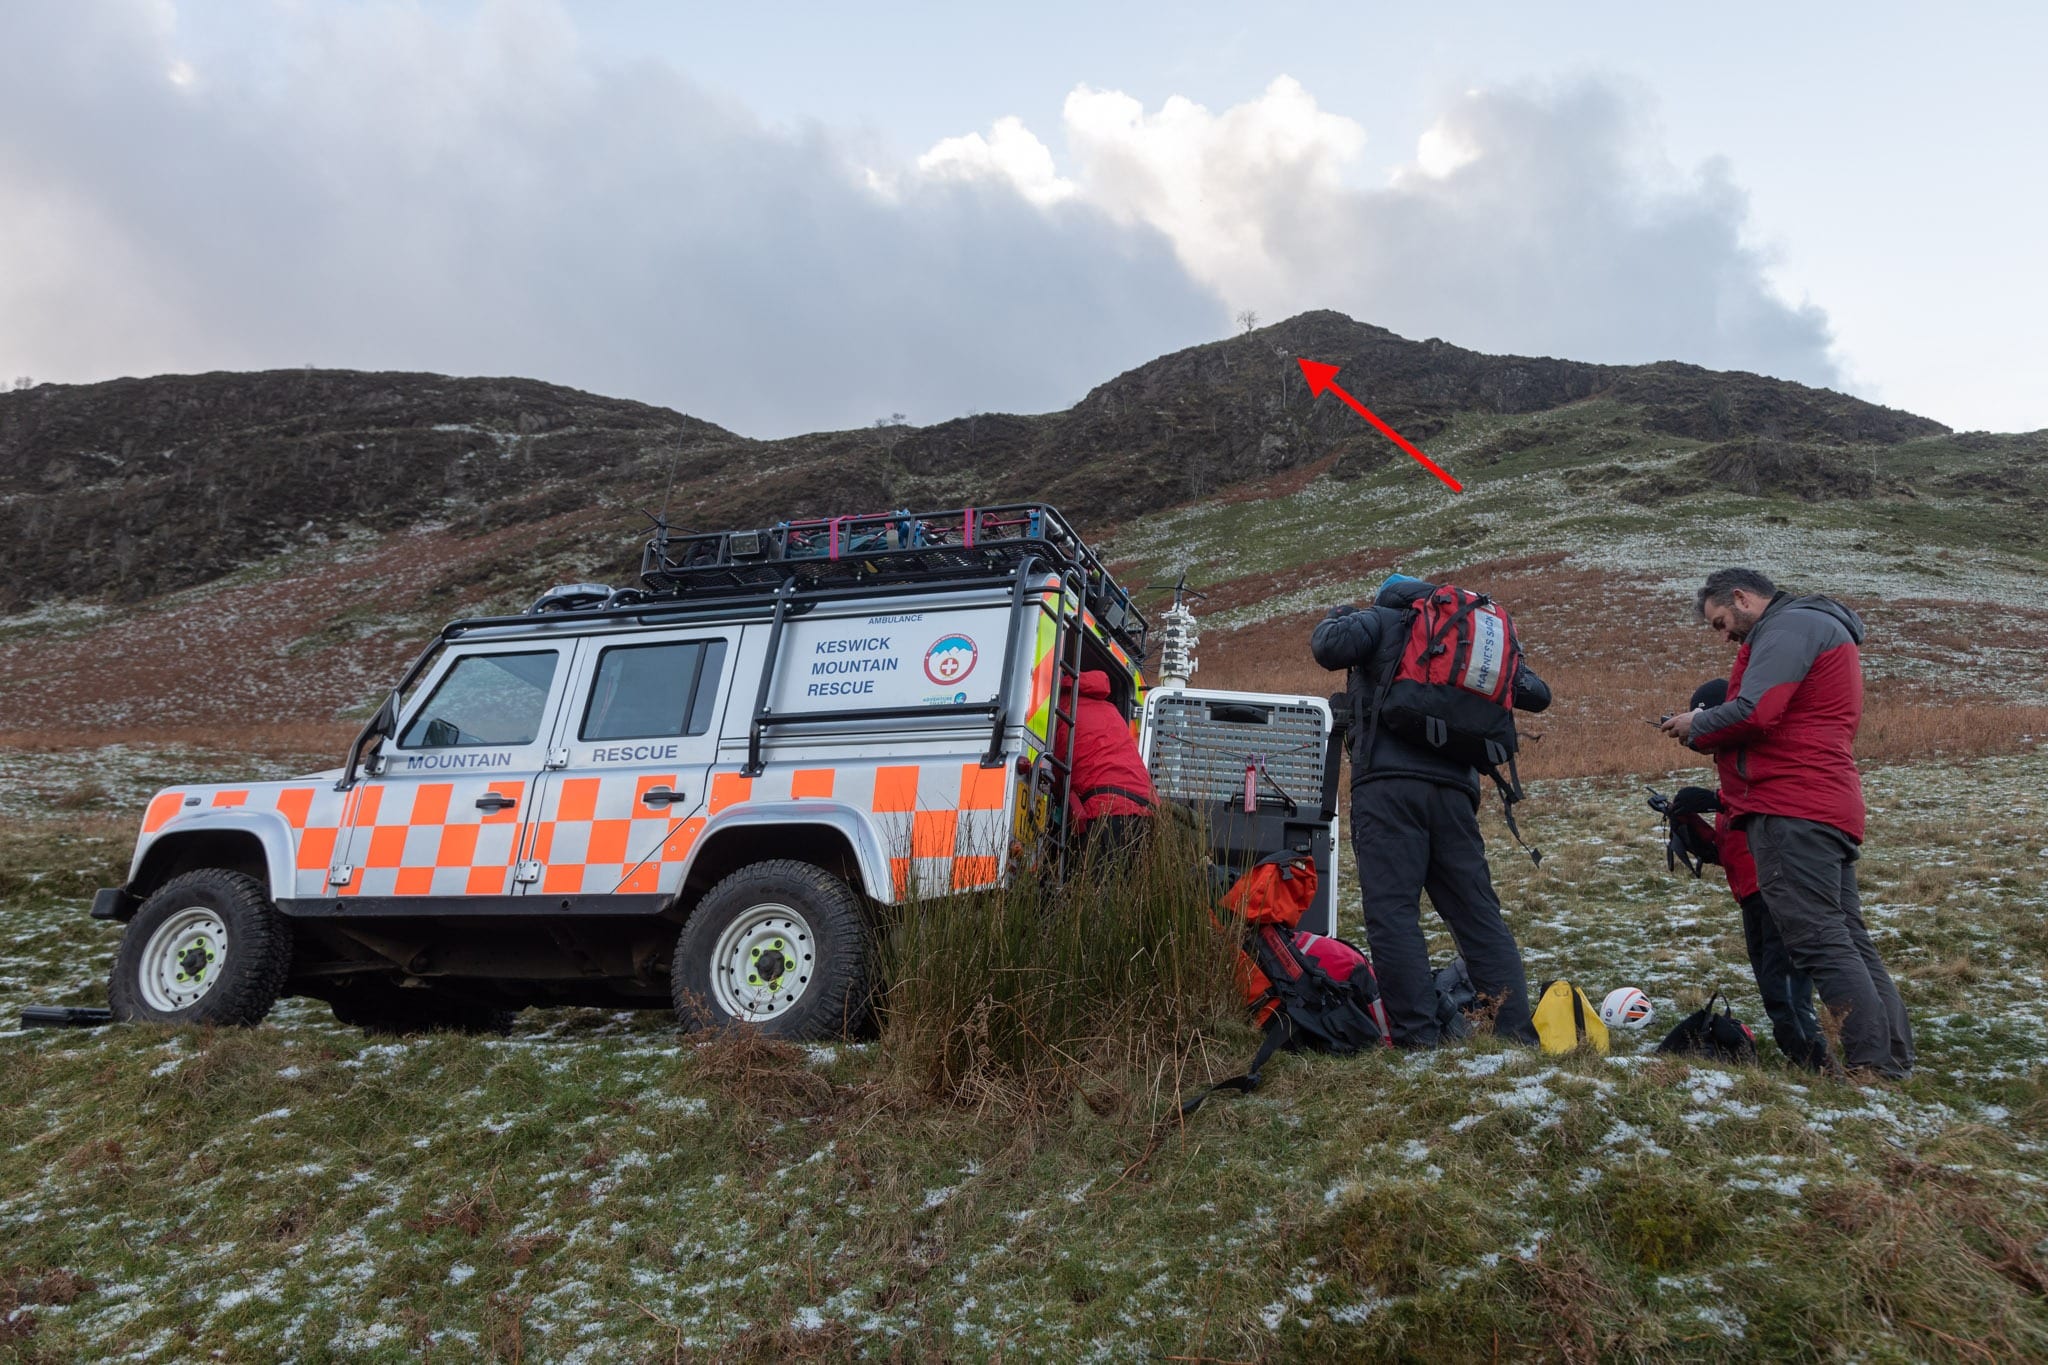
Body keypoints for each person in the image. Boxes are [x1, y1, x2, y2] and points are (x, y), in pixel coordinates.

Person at [1661, 568, 1913, 1078]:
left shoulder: (1788, 627)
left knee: (1820, 940)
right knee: (1846, 938)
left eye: (1721, 622)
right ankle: (1889, 1060)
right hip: (1821, 801)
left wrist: (1697, 725)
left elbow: (1757, 712)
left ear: (1742, 597)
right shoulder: (1810, 626)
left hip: (1790, 805)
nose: (1725, 634)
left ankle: (1873, 1068)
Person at [1311, 574, 1552, 1047]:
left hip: (1388, 788)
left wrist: (1339, 616)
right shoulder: (1467, 638)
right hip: (1456, 792)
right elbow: (1536, 693)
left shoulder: (1380, 620)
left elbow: (1327, 646)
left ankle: (1418, 1038)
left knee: (1394, 912)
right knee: (1477, 914)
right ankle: (1514, 1034)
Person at [1666, 678, 1827, 1070]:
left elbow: (1771, 803)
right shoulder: (1730, 770)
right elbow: (1731, 846)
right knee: (1775, 983)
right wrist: (1687, 823)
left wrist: (1715, 800)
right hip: (1754, 893)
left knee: (1784, 985)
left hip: (1779, 887)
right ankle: (1808, 1056)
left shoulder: (1758, 756)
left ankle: (1815, 1062)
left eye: (1703, 721)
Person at [1052, 669, 1155, 868]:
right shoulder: (1110, 710)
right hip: (1145, 811)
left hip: (1107, 812)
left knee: (1094, 889)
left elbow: (1059, 767)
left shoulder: (1062, 708)